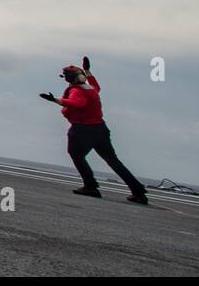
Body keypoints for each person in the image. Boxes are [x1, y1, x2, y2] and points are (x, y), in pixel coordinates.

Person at [40, 56, 148, 204]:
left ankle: (90, 186)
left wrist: (55, 100)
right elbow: (96, 85)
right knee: (112, 160)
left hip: (82, 130)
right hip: (100, 129)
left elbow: (76, 103)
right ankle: (138, 191)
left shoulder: (77, 91)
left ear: (69, 79)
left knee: (76, 155)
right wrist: (88, 70)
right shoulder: (91, 88)